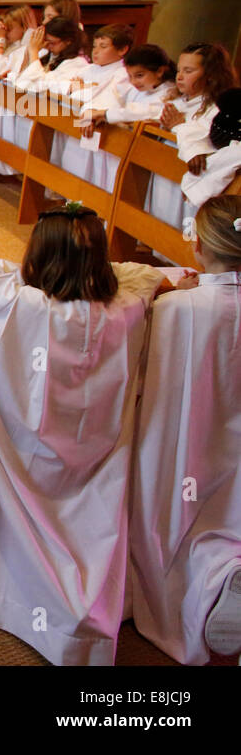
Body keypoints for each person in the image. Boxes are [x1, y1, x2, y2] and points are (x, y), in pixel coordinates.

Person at [0, 202, 168, 665]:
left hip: (24, 462)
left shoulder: (14, 303)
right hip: (93, 465)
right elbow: (144, 274)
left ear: (35, 257)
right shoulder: (128, 309)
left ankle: (9, 595)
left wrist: (30, 274)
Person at [128, 195, 241, 664]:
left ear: (199, 247)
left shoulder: (179, 310)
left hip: (187, 441)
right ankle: (228, 567)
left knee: (175, 519)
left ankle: (204, 591)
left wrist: (165, 303)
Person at [147, 42, 238, 230]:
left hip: (192, 176)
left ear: (211, 75)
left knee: (181, 227)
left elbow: (208, 139)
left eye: (188, 71)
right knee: (159, 223)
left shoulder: (217, 108)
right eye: (179, 70)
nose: (179, 76)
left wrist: (179, 126)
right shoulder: (178, 100)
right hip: (165, 169)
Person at [82, 44, 176, 192]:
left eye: (139, 75)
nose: (133, 81)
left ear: (159, 71)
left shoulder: (169, 93)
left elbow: (144, 111)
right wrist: (93, 111)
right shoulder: (138, 87)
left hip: (146, 156)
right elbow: (111, 96)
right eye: (130, 76)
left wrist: (105, 114)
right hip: (121, 146)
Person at [53, 24, 133, 186]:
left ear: (122, 50)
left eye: (103, 47)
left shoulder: (123, 75)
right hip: (76, 124)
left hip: (100, 131)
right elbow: (61, 85)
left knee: (93, 179)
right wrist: (77, 88)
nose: (95, 51)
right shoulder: (89, 69)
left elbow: (108, 100)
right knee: (72, 170)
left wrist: (83, 93)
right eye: (95, 46)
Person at [0, 4, 39, 176]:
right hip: (0, 100)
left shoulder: (25, 47)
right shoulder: (8, 46)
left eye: (9, 29)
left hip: (15, 102)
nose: (5, 33)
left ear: (24, 28)